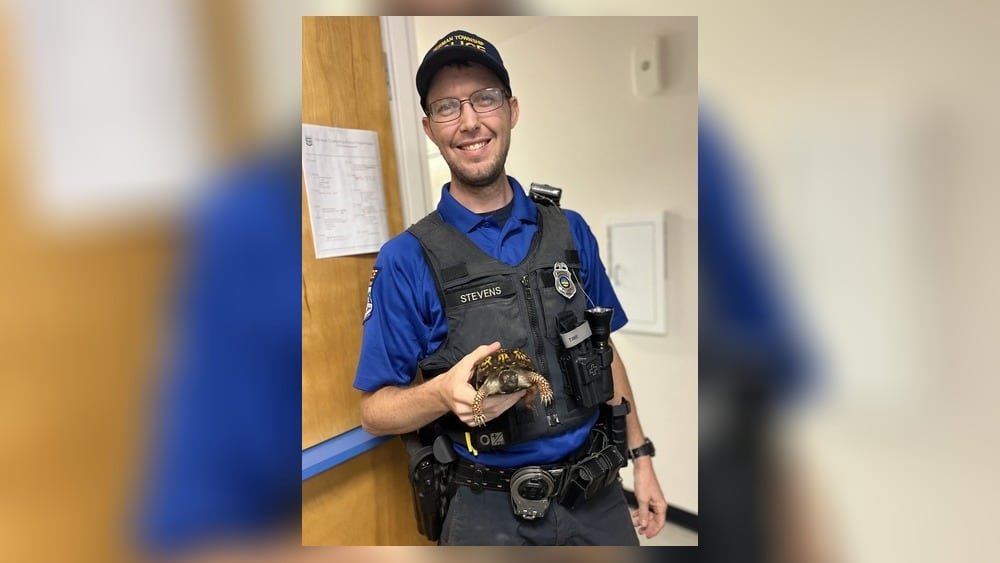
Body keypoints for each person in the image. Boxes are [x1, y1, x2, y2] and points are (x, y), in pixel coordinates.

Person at [354, 30, 667, 546]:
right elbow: (373, 411)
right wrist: (439, 395)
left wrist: (642, 456)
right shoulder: (406, 259)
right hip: (487, 511)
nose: (470, 120)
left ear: (512, 110)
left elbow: (604, 350)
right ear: (430, 128)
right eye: (448, 107)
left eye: (485, 98)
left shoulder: (569, 230)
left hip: (598, 496)